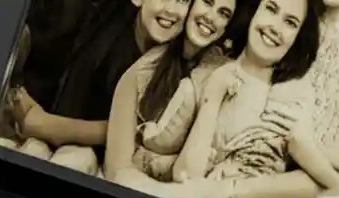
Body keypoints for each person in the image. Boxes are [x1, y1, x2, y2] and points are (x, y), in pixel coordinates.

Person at [164, 0, 339, 198]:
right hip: (208, 191)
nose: (278, 25)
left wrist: (296, 147)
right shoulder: (276, 13)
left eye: (290, 23)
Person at [12, 0, 195, 174]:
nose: (171, 9)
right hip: (52, 124)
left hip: (99, 159)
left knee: (77, 159)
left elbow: (138, 135)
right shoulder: (103, 23)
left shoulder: (179, 68)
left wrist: (42, 124)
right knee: (36, 151)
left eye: (182, 0)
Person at [105, 0, 244, 184]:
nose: (211, 17)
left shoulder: (226, 75)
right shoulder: (143, 70)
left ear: (227, 27)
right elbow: (116, 169)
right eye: (207, 2)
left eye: (223, 13)